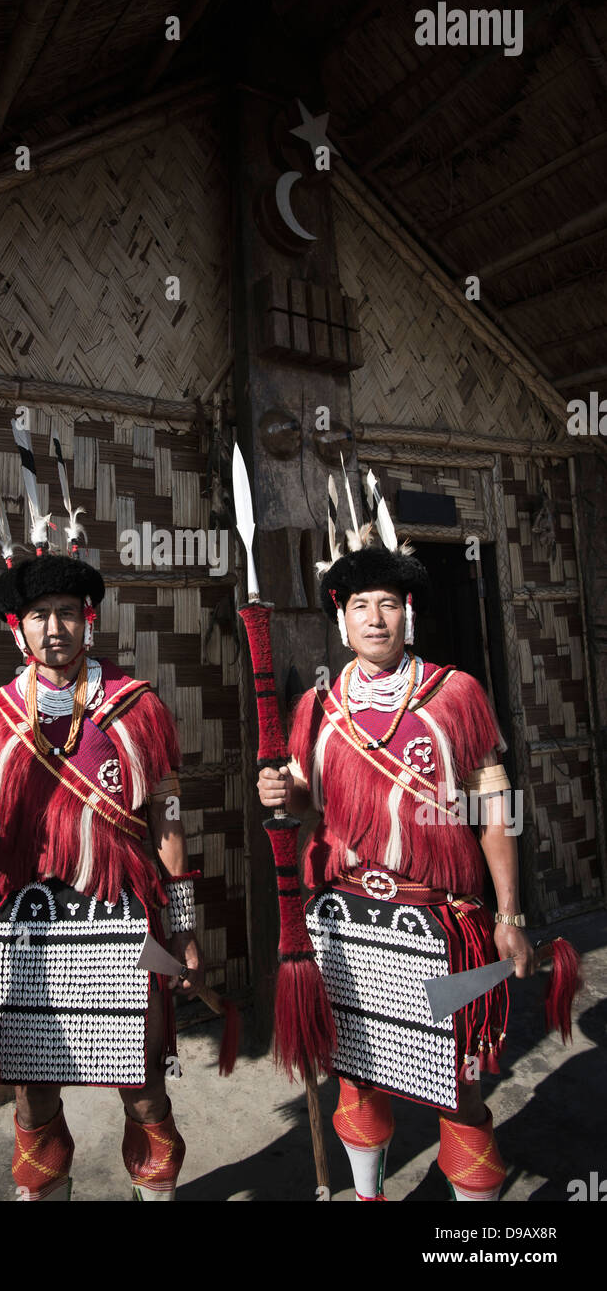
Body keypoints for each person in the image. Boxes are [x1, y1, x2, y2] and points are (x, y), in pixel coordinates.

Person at [258, 502, 534, 1203]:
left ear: (407, 611)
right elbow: (304, 806)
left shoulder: (456, 694)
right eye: (359, 605)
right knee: (358, 1075)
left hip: (443, 923)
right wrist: (276, 793)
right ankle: (370, 1198)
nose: (374, 619)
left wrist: (509, 915)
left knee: (458, 1086)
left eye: (388, 604)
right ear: (339, 617)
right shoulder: (316, 709)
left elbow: (494, 813)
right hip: (346, 925)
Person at [0, 553, 203, 1201]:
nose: (54, 629)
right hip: (28, 931)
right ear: (17, 629)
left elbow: (168, 822)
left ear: (88, 621)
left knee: (145, 1088)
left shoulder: (138, 707)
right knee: (33, 1095)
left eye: (67, 614)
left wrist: (184, 932)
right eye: (40, 616)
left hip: (125, 923)